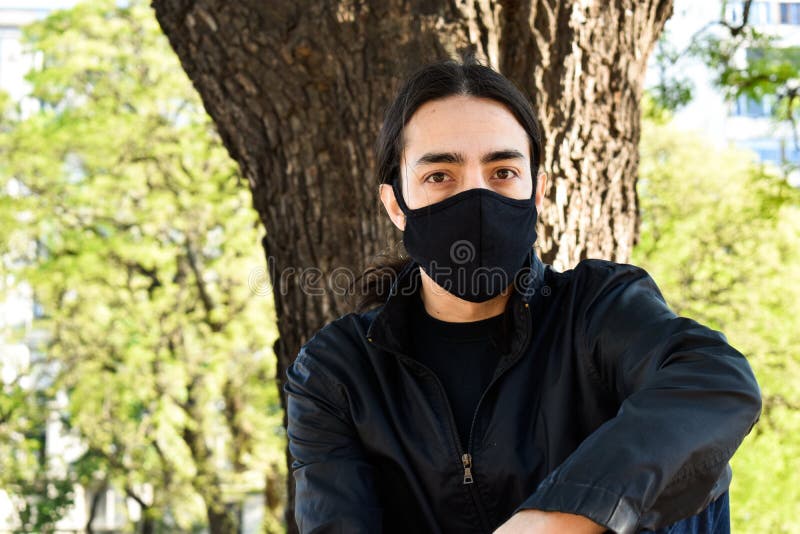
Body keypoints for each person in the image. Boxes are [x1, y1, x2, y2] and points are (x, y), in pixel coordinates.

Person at [283, 57, 762, 534]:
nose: (474, 197)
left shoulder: (598, 309)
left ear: (537, 193)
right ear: (395, 205)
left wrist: (555, 518)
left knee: (689, 461)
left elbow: (716, 380)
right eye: (439, 176)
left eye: (503, 172)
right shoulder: (337, 372)